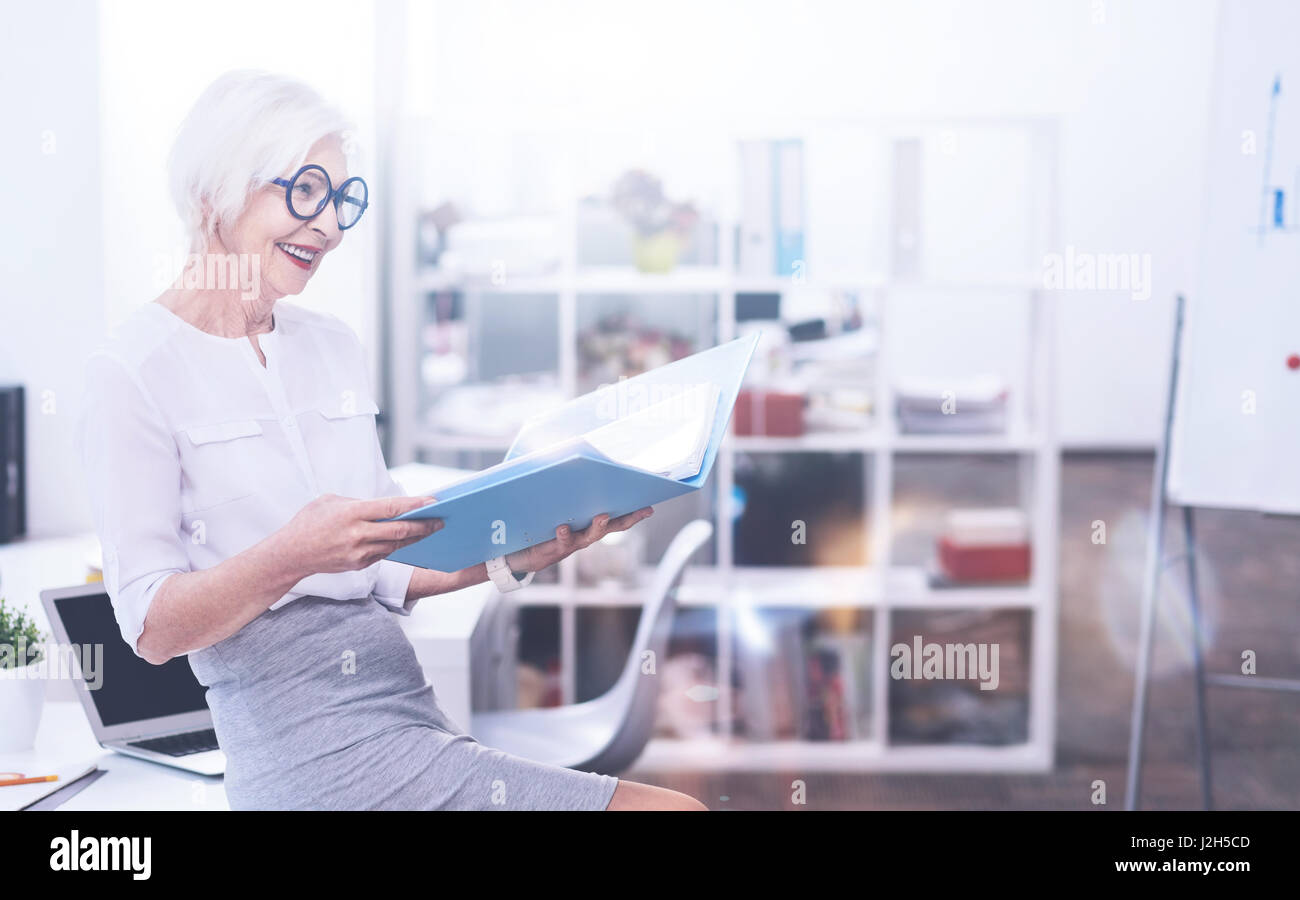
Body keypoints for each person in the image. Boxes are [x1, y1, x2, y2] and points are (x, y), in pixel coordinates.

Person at [77, 69, 706, 812]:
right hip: (308, 757)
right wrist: (290, 555)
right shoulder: (135, 370)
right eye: (305, 191)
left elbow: (390, 563)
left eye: (341, 199)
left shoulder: (331, 346)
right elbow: (151, 628)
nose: (331, 226)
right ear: (217, 187)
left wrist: (520, 551)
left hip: (406, 716)